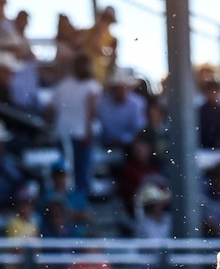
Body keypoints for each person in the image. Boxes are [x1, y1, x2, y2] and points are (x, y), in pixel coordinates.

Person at [48, 54, 101, 196]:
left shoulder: (63, 85)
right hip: (80, 136)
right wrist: (89, 132)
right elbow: (92, 112)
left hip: (64, 135)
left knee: (68, 173)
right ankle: (76, 205)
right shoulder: (91, 85)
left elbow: (50, 110)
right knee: (78, 174)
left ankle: (73, 205)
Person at [97, 69, 147, 150]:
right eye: (117, 87)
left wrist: (124, 139)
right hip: (106, 145)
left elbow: (139, 128)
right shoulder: (103, 104)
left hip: (130, 147)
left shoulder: (138, 103)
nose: (120, 90)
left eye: (123, 87)